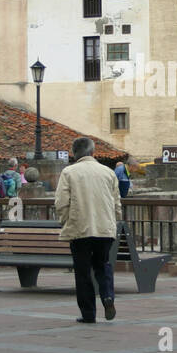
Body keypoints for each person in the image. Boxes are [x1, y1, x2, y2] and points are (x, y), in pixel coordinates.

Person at [54, 137, 121, 324]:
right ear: (93, 152)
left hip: (79, 228)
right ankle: (107, 297)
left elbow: (61, 202)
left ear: (74, 154)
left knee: (82, 271)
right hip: (104, 227)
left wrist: (66, 220)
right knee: (103, 264)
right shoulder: (108, 172)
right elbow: (117, 202)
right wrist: (113, 221)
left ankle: (88, 313)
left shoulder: (69, 172)